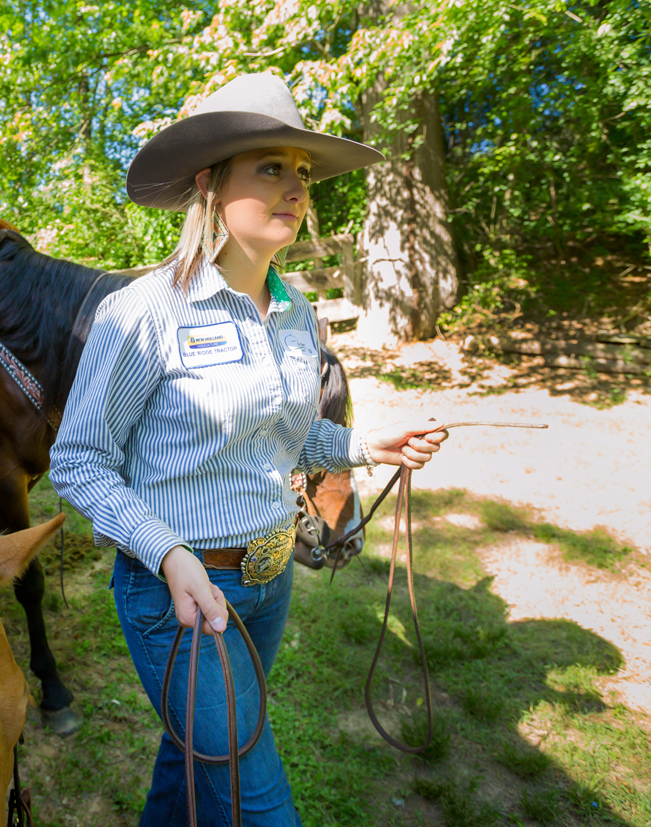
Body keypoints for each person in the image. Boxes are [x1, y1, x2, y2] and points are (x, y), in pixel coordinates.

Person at [48, 72, 449, 826]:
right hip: (181, 593)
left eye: (302, 172)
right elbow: (79, 461)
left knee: (193, 758)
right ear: (209, 184)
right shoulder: (143, 313)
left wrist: (368, 446)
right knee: (258, 803)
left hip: (269, 583)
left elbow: (286, 436)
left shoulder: (297, 313)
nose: (296, 188)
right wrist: (168, 553)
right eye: (270, 168)